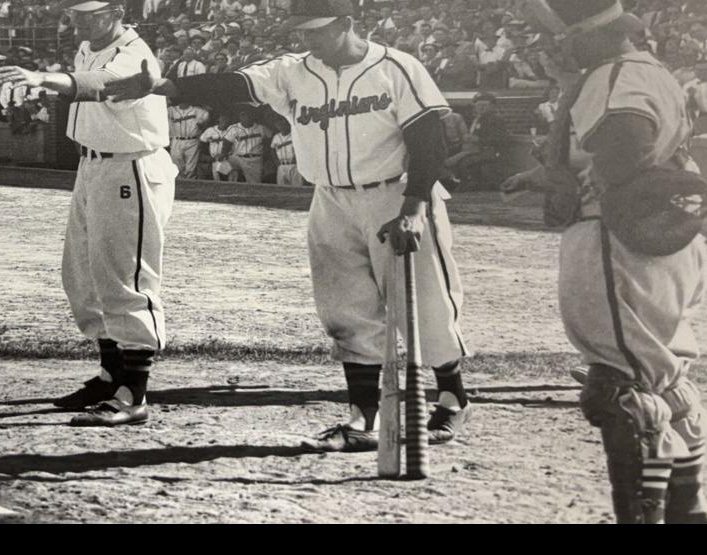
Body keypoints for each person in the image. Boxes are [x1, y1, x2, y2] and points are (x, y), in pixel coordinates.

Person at [106, 0, 475, 452]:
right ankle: (364, 417)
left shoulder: (397, 67)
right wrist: (167, 85)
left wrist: (415, 206)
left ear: (346, 23)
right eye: (301, 30)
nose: (307, 39)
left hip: (396, 193)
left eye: (316, 30)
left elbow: (428, 139)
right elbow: (234, 83)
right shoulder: (294, 71)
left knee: (425, 303)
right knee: (345, 311)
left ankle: (453, 400)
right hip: (331, 199)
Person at [501, 0, 707, 524]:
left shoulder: (613, 75)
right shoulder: (647, 68)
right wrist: (551, 172)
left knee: (619, 388)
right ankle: (689, 509)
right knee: (662, 372)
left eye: (563, 37)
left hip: (617, 239)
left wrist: (572, 182)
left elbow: (625, 146)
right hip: (660, 238)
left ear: (590, 35)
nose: (556, 47)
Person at [0, 1, 175, 426]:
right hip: (93, 165)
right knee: (83, 276)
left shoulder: (136, 53)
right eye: (77, 13)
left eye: (92, 12)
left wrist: (41, 78)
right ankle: (111, 375)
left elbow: (99, 84)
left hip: (131, 164)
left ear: (117, 10)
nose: (82, 20)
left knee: (124, 275)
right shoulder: (88, 46)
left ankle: (134, 395)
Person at [224, 106, 267, 182]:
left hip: (254, 159)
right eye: (242, 115)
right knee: (222, 163)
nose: (245, 117)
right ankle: (231, 184)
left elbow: (269, 142)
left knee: (254, 185)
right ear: (240, 117)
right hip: (238, 158)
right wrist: (223, 154)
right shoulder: (233, 128)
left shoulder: (261, 128)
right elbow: (227, 142)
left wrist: (266, 158)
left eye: (247, 115)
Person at [167, 99, 209, 177]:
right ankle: (180, 183)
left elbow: (206, 120)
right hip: (177, 140)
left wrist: (202, 124)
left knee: (190, 168)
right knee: (176, 165)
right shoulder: (171, 110)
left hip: (192, 141)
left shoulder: (197, 111)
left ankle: (189, 184)